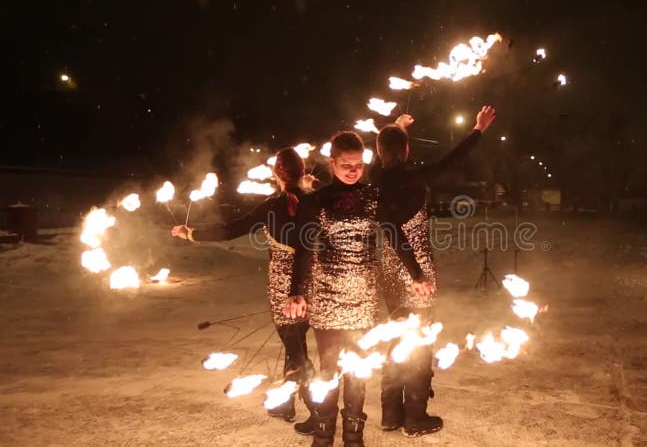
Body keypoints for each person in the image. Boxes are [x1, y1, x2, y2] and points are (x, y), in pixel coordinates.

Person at [284, 131, 434, 447]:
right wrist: (296, 290)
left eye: (358, 165)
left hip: (363, 295)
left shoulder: (373, 197)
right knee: (328, 367)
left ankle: (354, 437)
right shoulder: (316, 200)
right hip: (326, 293)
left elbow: (395, 235)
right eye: (346, 165)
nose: (353, 171)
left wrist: (417, 274)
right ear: (332, 163)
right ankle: (323, 436)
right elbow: (304, 249)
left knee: (357, 369)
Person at [171, 147, 319, 434]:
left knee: (297, 353)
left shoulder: (270, 207)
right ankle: (285, 402)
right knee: (295, 345)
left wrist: (190, 233)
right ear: (302, 172)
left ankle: (318, 412)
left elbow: (229, 230)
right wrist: (313, 187)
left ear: (276, 174)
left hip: (284, 290)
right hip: (310, 284)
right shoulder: (314, 201)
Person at [372, 106, 496, 437]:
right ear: (407, 150)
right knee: (419, 342)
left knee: (397, 336)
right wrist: (478, 129)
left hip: (389, 267)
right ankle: (415, 418)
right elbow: (452, 160)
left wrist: (397, 127)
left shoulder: (375, 179)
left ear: (379, 152)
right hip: (416, 270)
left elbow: (390, 228)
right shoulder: (413, 177)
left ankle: (390, 413)